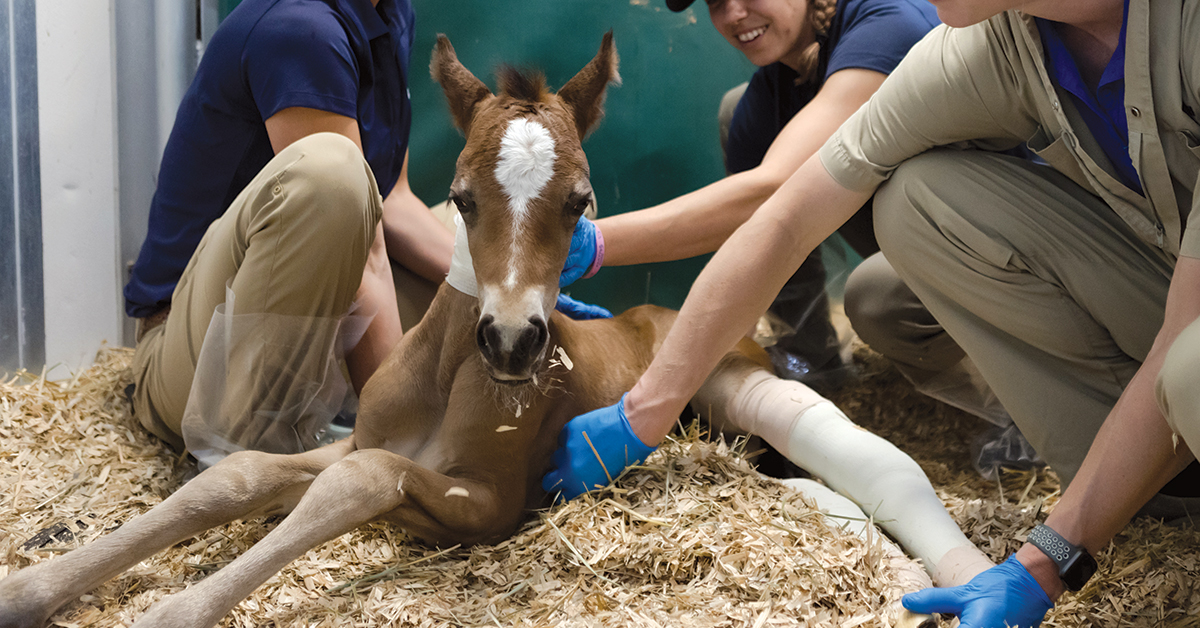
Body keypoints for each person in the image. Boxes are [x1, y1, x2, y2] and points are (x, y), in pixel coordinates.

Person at [546, 0, 1199, 625]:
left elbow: (1183, 330)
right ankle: (1155, 483)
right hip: (1159, 282)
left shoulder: (887, 25)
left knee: (1191, 368)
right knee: (916, 201)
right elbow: (789, 217)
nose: (736, 12)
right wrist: (645, 412)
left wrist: (1047, 559)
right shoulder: (1002, 42)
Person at [590, 0, 938, 388]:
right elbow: (757, 230)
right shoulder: (770, 93)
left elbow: (767, 190)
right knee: (738, 114)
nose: (734, 14)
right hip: (919, 239)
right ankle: (810, 363)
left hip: (993, 253)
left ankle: (1003, 403)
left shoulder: (886, 24)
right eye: (717, 2)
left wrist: (590, 243)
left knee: (877, 300)